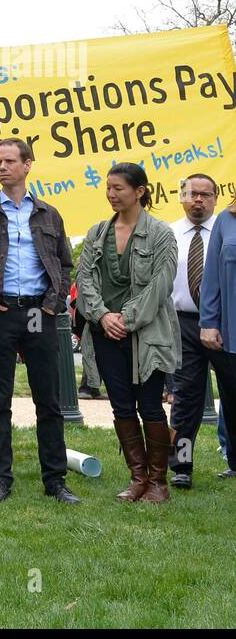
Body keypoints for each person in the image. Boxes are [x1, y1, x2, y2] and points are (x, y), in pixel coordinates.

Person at [0, 138, 79, 504]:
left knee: (48, 399)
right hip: (0, 312)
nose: (2, 166)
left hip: (39, 313)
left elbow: (65, 264)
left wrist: (54, 304)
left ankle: (55, 480)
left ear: (28, 165)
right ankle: (1, 479)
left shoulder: (49, 214)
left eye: (9, 160)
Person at [75, 163, 178, 502]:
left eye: (118, 188)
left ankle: (158, 482)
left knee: (150, 405)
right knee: (121, 406)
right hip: (106, 334)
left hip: (147, 334)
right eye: (108, 187)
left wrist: (127, 318)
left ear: (140, 191)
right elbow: (84, 281)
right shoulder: (96, 233)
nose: (111, 194)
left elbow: (161, 285)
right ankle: (137, 479)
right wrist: (104, 316)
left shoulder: (161, 233)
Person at [166, 174, 230, 488]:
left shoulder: (227, 230)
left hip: (225, 324)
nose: (198, 200)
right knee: (186, 400)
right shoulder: (169, 234)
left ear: (216, 198)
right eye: (193, 194)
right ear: (182, 197)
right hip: (183, 324)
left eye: (206, 195)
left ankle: (233, 462)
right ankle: (182, 465)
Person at [197, 178, 236, 481]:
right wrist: (209, 323)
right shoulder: (226, 219)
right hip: (230, 332)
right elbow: (210, 277)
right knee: (232, 400)